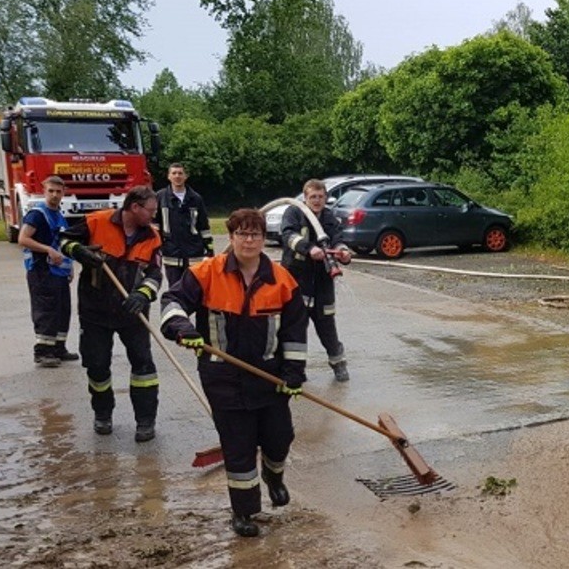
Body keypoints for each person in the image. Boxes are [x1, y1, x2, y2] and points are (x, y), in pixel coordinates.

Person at [159, 209, 309, 538]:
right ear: (231, 237)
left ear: (263, 239)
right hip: (222, 375)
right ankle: (244, 511)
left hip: (269, 376)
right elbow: (172, 300)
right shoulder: (207, 273)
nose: (249, 240)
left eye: (255, 234)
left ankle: (274, 475)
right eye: (242, 233)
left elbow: (295, 332)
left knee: (279, 438)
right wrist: (182, 328)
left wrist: (293, 373)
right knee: (238, 445)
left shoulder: (282, 279)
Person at [60, 186, 163, 441]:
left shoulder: (152, 237)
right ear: (135, 207)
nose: (154, 215)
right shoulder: (96, 221)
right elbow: (63, 241)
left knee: (144, 367)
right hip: (95, 311)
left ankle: (146, 421)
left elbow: (155, 273)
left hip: (133, 314)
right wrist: (79, 252)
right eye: (151, 210)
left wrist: (143, 295)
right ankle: (103, 414)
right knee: (96, 365)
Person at [280, 179, 353, 382]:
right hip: (297, 281)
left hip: (322, 283)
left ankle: (338, 364)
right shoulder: (294, 213)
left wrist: (343, 252)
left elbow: (338, 238)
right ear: (305, 197)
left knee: (327, 327)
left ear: (326, 197)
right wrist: (308, 248)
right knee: (294, 329)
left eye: (321, 196)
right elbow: (287, 235)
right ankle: (294, 370)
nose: (317, 200)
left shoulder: (330, 217)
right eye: (313, 196)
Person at [17, 175, 78, 368]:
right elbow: (23, 239)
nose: (54, 195)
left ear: (64, 192)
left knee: (62, 310)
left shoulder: (59, 215)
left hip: (59, 272)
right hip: (41, 270)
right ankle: (43, 352)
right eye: (50, 191)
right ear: (44, 191)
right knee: (46, 311)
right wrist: (47, 250)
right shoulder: (37, 214)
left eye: (58, 191)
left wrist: (70, 268)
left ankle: (59, 348)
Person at [156, 163, 214, 290]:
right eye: (174, 173)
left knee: (198, 290)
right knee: (175, 291)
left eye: (180, 173)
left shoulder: (196, 198)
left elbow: (204, 226)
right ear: (168, 176)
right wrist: (156, 247)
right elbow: (155, 225)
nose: (177, 176)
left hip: (194, 253)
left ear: (186, 176)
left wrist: (209, 249)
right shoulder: (160, 197)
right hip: (171, 253)